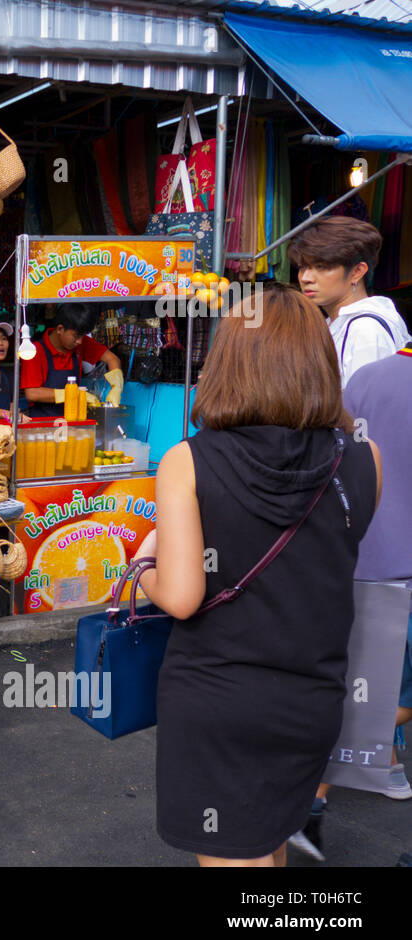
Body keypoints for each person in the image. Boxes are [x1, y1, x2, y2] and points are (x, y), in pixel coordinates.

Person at [135, 284, 379, 867]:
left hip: (219, 698)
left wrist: (143, 562)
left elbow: (182, 596)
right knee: (270, 839)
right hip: (313, 696)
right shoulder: (363, 456)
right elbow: (335, 550)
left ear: (230, 360)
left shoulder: (189, 460)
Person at [289, 342, 412, 861]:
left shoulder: (366, 378)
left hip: (365, 557)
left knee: (369, 686)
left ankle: (312, 798)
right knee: (384, 693)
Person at [288, 215, 410, 387]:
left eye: (321, 267)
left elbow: (366, 408)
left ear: (357, 272)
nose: (306, 278)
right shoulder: (336, 322)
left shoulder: (365, 330)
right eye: (302, 267)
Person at [19, 303, 123, 417]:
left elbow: (112, 359)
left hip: (73, 421)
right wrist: (72, 394)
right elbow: (32, 393)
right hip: (42, 424)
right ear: (60, 329)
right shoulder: (35, 351)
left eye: (83, 336)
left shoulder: (79, 343)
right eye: (76, 336)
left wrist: (116, 387)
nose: (80, 341)